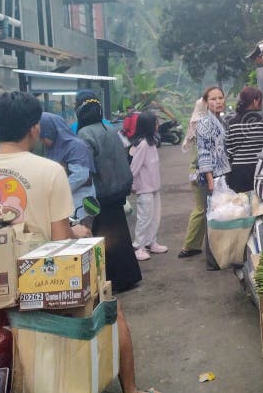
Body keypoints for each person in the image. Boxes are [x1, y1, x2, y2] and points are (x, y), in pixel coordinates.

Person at [0, 92, 162, 393]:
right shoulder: (49, 171)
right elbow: (60, 244)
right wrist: (78, 231)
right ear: (34, 128)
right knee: (113, 312)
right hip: (36, 288)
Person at [77, 94, 142, 293]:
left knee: (105, 236)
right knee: (120, 231)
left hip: (102, 192)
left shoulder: (84, 134)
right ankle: (129, 276)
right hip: (119, 188)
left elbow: (87, 167)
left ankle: (114, 280)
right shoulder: (110, 128)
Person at [39, 112, 99, 227]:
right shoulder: (53, 148)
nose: (42, 141)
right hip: (65, 203)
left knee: (81, 234)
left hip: (80, 203)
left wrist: (53, 192)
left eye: (43, 137)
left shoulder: (76, 146)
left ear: (51, 131)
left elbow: (80, 176)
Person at [194, 86, 231, 270]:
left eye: (220, 98)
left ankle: (224, 256)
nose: (218, 102)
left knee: (223, 215)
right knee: (214, 218)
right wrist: (210, 180)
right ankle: (213, 261)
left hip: (224, 174)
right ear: (206, 102)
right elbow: (203, 153)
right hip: (213, 177)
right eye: (213, 99)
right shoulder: (204, 122)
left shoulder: (221, 120)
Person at [130, 111, 167, 261]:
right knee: (144, 218)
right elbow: (134, 167)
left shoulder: (152, 143)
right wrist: (132, 184)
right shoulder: (143, 145)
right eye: (156, 123)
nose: (158, 125)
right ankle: (138, 246)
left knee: (155, 217)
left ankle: (151, 242)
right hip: (144, 188)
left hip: (154, 187)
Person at [178, 93, 210, 259]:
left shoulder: (197, 122)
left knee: (203, 208)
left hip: (196, 171)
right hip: (200, 172)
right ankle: (188, 246)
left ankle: (194, 245)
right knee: (201, 209)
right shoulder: (202, 124)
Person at [225, 87, 263, 194]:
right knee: (259, 200)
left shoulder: (232, 122)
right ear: (255, 101)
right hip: (260, 170)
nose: (262, 103)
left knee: (241, 202)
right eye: (261, 100)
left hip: (239, 172)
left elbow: (229, 151)